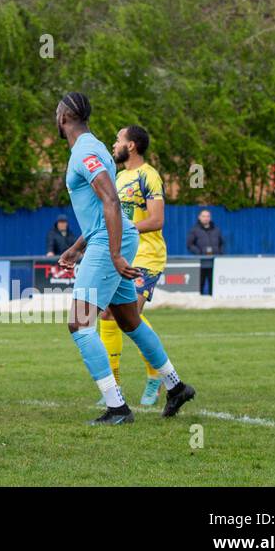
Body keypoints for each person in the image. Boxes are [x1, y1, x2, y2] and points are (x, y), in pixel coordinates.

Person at [52, 93, 195, 425]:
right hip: (108, 238)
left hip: (110, 243)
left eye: (56, 111)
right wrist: (77, 246)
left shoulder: (85, 151)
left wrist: (113, 253)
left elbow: (111, 201)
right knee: (129, 320)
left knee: (79, 323)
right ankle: (176, 387)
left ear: (64, 116)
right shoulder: (95, 146)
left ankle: (117, 407)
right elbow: (102, 209)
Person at [99, 124, 168, 406]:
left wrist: (126, 231)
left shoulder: (149, 176)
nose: (114, 144)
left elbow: (157, 220)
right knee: (108, 315)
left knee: (128, 318)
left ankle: (156, 376)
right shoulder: (117, 177)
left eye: (118, 140)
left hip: (147, 257)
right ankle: (113, 388)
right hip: (125, 255)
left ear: (131, 146)